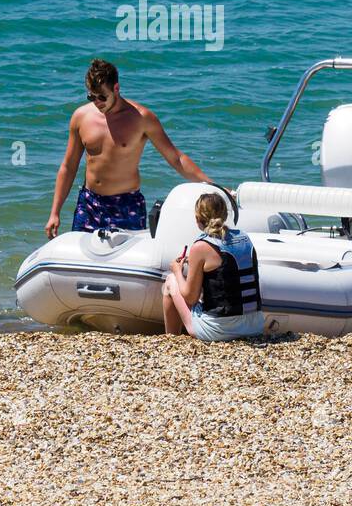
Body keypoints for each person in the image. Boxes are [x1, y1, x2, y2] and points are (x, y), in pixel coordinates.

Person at [45, 59, 210, 238]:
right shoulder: (81, 117)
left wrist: (210, 185)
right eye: (91, 97)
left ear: (116, 88)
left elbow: (176, 158)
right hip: (89, 203)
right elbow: (68, 167)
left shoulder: (141, 118)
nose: (97, 102)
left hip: (127, 205)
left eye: (102, 97)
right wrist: (55, 212)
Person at [162, 192, 266, 341]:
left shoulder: (200, 247)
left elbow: (191, 298)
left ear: (197, 219)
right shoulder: (245, 238)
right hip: (254, 325)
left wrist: (177, 270)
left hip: (219, 330)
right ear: (224, 215)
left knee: (171, 281)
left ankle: (170, 340)